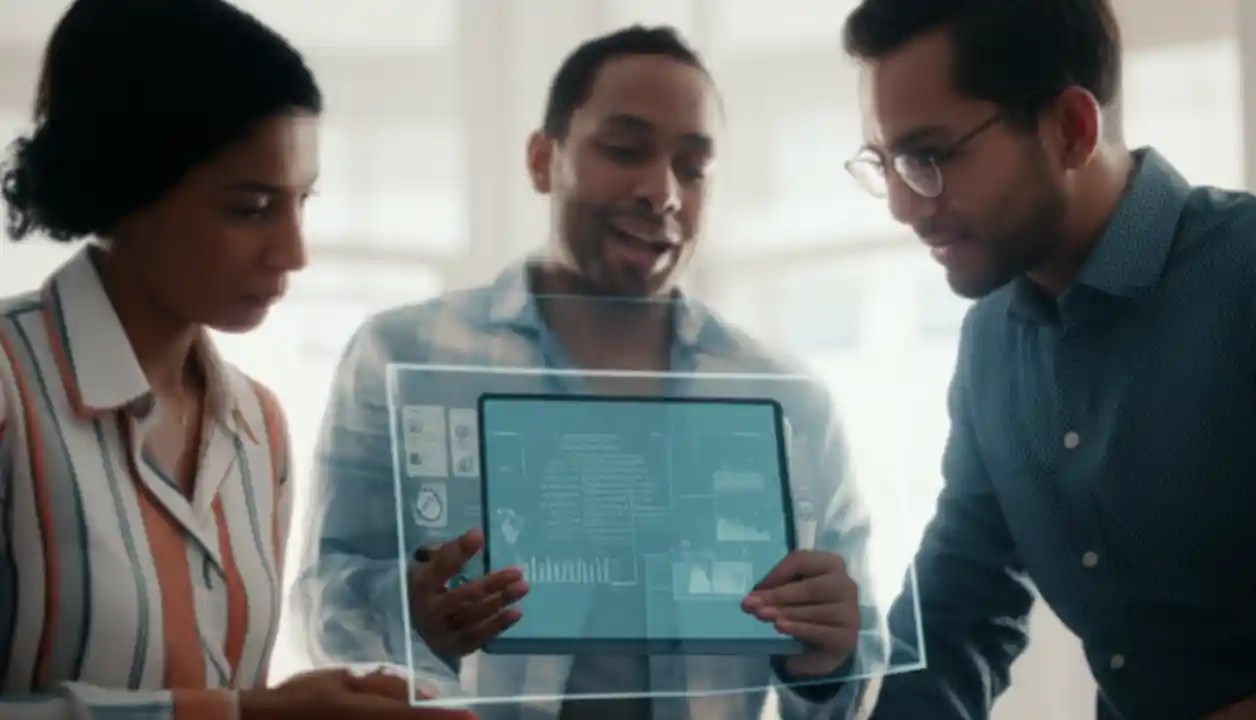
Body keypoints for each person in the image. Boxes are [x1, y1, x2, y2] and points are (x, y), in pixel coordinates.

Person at [294, 25, 883, 720]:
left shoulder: (789, 402)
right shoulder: (402, 356)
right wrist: (410, 614)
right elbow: (323, 603)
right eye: (626, 150)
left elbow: (852, 671)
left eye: (693, 168)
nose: (663, 191)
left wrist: (828, 659)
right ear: (544, 159)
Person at [0, 1, 472, 718]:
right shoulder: (11, 389)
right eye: (250, 208)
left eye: (302, 202)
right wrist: (255, 714)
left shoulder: (258, 428)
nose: (295, 253)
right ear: (126, 188)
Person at [840, 1, 1256, 718]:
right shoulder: (990, 342)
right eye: (885, 162)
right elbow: (959, 612)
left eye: (928, 158)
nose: (901, 204)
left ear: (1071, 130)